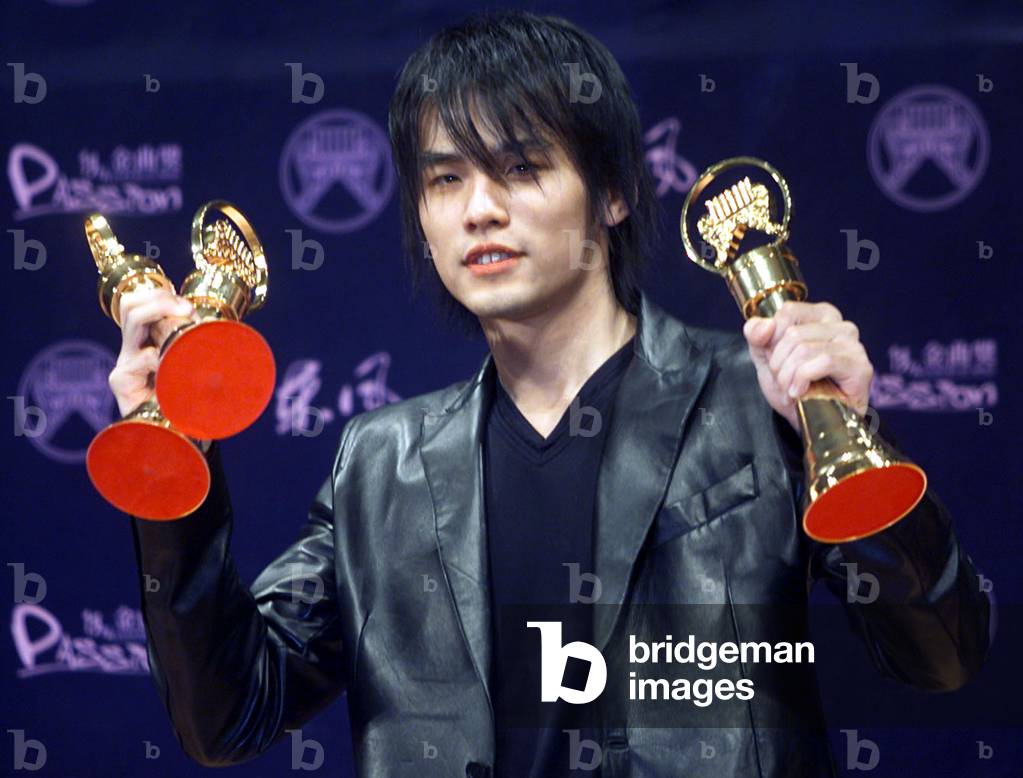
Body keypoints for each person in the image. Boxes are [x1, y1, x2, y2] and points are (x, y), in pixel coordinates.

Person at [113, 11, 993, 778]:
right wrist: (172, 455)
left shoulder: (754, 399)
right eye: (445, 179)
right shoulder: (379, 465)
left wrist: (841, 429)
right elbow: (227, 715)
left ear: (613, 192)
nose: (479, 210)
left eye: (521, 167)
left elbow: (942, 658)